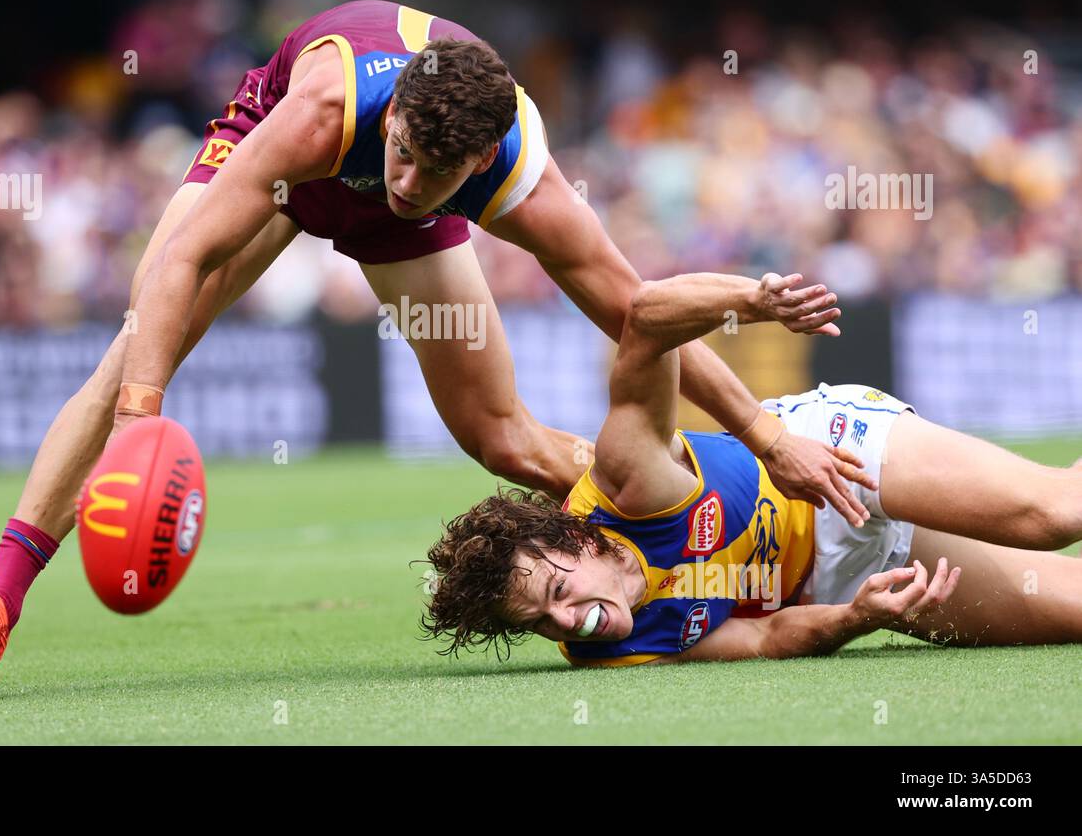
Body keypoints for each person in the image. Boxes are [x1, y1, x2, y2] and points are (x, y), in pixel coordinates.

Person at [0, 1, 870, 689]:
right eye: (405, 150)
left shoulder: (512, 173)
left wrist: (762, 431)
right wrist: (139, 419)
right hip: (291, 168)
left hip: (390, 210)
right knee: (134, 350)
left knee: (501, 439)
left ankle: (662, 538)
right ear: (397, 113)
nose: (410, 178)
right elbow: (190, 252)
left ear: (480, 161)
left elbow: (640, 311)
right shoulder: (327, 112)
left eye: (437, 168)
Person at [422, 271, 1082, 665]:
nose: (565, 625)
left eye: (559, 596)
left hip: (825, 458)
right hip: (843, 577)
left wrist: (759, 300)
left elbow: (647, 314)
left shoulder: (628, 483)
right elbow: (763, 639)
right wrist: (859, 616)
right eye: (540, 623)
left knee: (1055, 515)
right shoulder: (609, 649)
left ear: (580, 539)